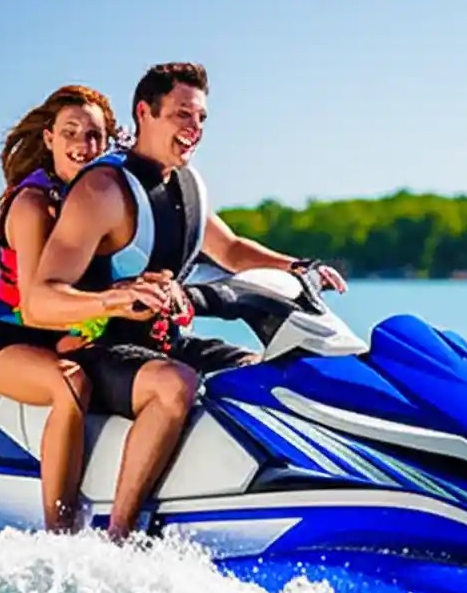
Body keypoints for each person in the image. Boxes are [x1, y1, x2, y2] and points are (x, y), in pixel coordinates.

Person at [24, 62, 347, 541]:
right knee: (175, 385)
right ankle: (120, 534)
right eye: (181, 115)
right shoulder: (103, 191)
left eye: (200, 119)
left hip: (166, 341)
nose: (193, 129)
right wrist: (115, 299)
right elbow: (39, 300)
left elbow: (233, 251)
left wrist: (298, 268)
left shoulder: (187, 183)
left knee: (267, 370)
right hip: (98, 349)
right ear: (144, 113)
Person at [0, 84, 163, 533]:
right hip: (11, 341)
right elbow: (37, 309)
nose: (83, 145)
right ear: (49, 139)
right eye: (71, 132)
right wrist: (110, 305)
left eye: (95, 135)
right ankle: (60, 532)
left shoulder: (98, 199)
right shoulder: (33, 205)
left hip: (66, 333)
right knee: (72, 386)